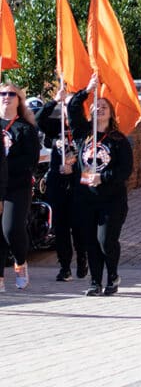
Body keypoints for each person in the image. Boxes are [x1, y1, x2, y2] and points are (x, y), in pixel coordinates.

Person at [65, 75, 134, 296]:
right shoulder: (83, 134)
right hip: (85, 198)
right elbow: (73, 108)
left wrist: (103, 177)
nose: (100, 108)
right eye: (96, 106)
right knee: (90, 241)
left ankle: (112, 276)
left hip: (111, 199)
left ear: (111, 113)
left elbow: (125, 170)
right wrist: (87, 90)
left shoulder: (118, 140)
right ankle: (95, 282)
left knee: (106, 240)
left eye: (104, 106)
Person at [36, 92, 88, 281]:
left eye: (70, 105)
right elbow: (38, 118)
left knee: (79, 227)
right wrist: (55, 100)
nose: (67, 110)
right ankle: (65, 266)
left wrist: (73, 169)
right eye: (65, 106)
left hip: (77, 184)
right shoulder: (55, 127)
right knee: (60, 227)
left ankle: (82, 259)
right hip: (57, 184)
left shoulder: (84, 129)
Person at [0, 82, 40, 292]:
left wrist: (4, 165)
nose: (6, 97)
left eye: (11, 94)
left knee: (11, 229)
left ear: (19, 100)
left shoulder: (25, 128)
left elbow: (30, 161)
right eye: (2, 93)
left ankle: (20, 261)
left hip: (16, 187)